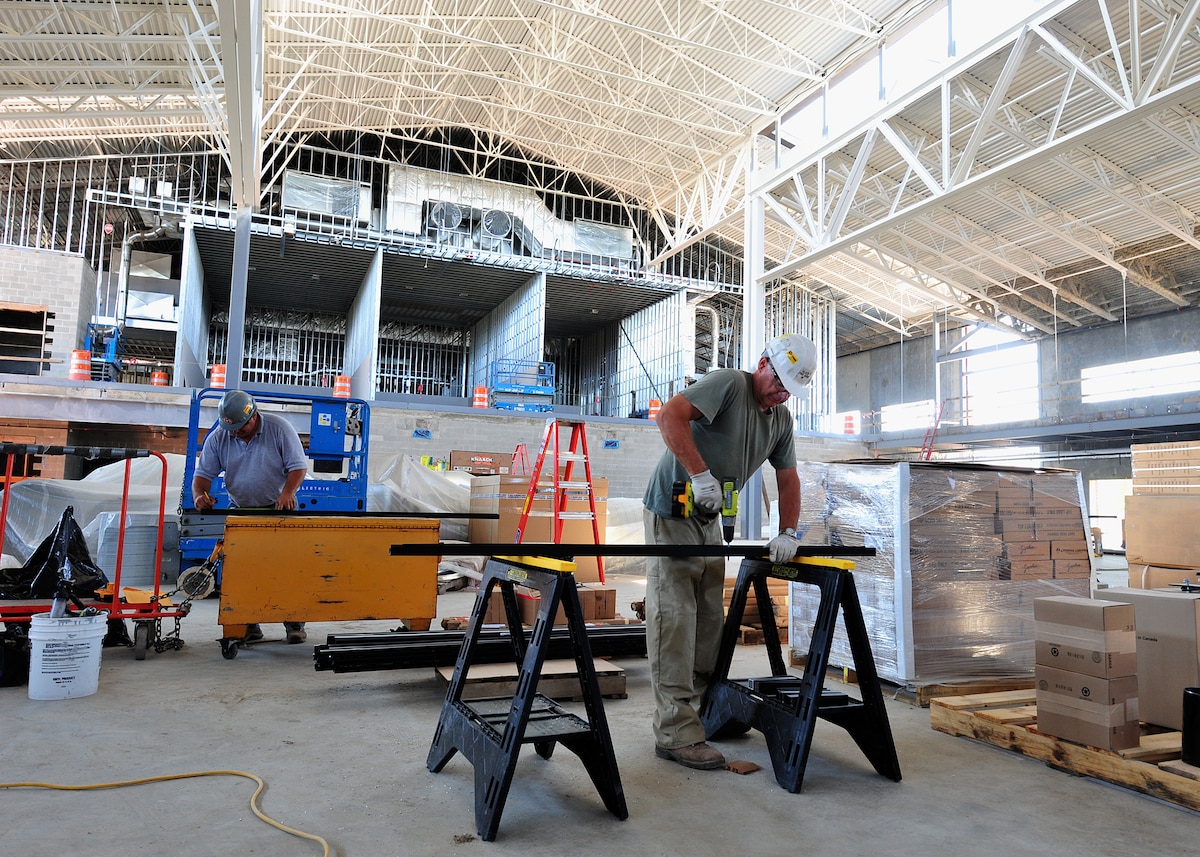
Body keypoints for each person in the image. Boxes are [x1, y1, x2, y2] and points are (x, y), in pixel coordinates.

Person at [641, 333, 817, 770]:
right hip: (673, 506)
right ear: (762, 364)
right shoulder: (728, 384)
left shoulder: (779, 419)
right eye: (778, 383)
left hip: (709, 515)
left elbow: (789, 479)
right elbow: (670, 416)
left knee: (708, 620)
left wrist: (790, 531)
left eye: (790, 391)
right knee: (675, 617)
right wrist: (700, 475)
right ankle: (675, 733)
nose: (781, 394)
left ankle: (702, 713)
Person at [191, 389, 310, 644]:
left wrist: (287, 492)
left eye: (241, 428)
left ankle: (294, 623)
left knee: (285, 570)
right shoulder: (220, 436)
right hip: (241, 512)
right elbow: (202, 476)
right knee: (242, 572)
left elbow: (298, 467)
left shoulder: (279, 429)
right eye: (231, 428)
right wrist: (200, 495)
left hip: (280, 512)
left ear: (253, 416)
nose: (235, 433)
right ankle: (248, 625)